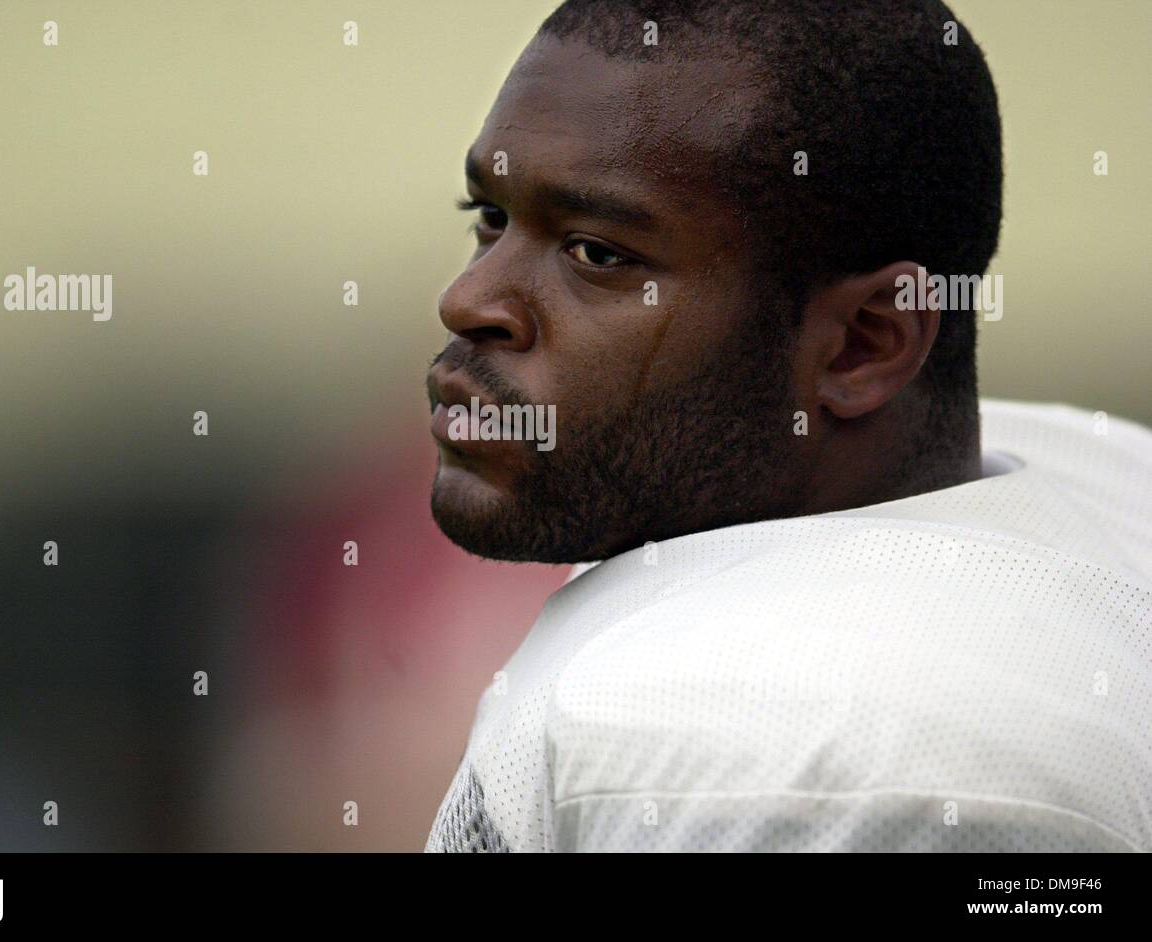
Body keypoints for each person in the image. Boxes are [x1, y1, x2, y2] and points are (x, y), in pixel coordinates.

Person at [423, 0, 1151, 851]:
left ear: (863, 344)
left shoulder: (792, 747)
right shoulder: (1100, 469)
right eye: (491, 217)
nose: (467, 300)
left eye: (598, 253)